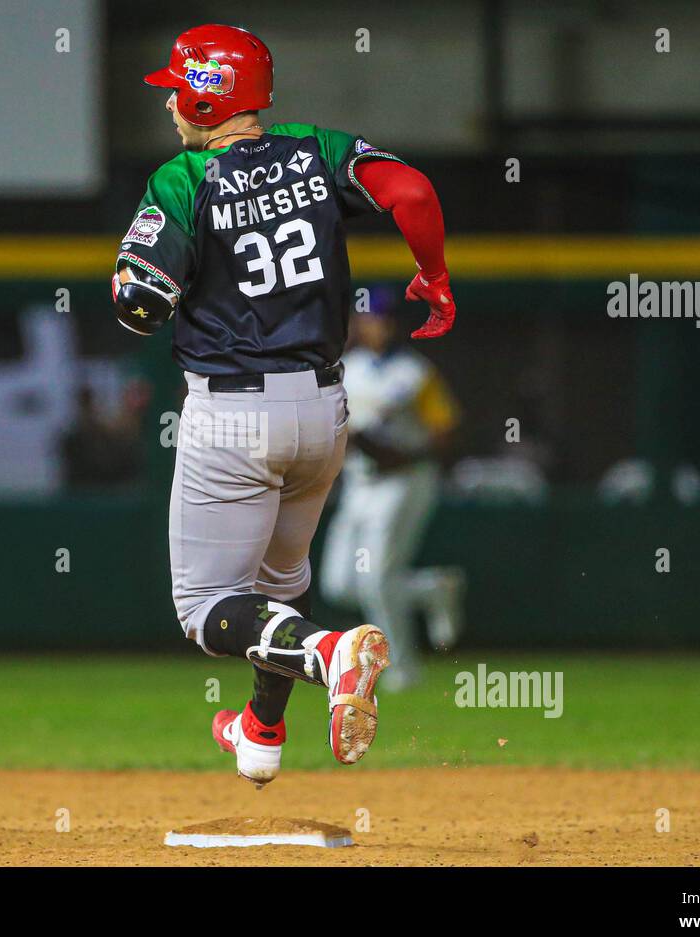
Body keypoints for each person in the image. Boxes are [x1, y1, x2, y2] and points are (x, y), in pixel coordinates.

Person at [111, 24, 455, 786]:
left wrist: (151, 282)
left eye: (178, 87)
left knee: (208, 610)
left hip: (232, 414)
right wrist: (431, 273)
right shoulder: (315, 148)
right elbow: (414, 191)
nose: (171, 101)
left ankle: (329, 655)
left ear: (207, 94)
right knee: (277, 589)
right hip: (324, 414)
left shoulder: (182, 179)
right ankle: (261, 733)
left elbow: (138, 304)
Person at [321, 294, 464, 691]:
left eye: (378, 319)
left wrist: (403, 455)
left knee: (375, 580)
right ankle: (431, 588)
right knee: (339, 584)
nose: (371, 326)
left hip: (405, 481)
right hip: (359, 483)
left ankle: (402, 667)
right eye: (364, 318)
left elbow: (445, 431)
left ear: (394, 323)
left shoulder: (414, 372)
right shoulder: (348, 369)